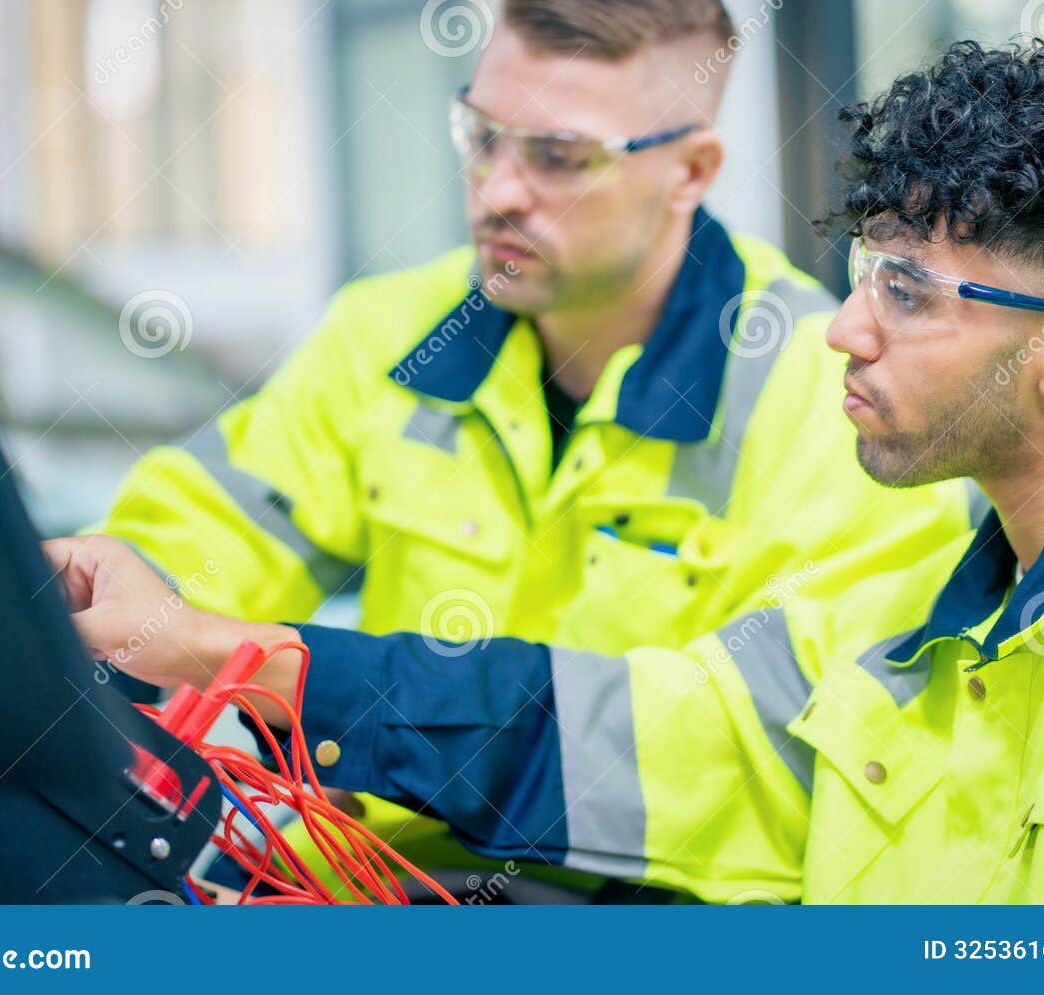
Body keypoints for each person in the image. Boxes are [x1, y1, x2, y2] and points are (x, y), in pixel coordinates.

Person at [54, 41, 1044, 903]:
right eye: (864, 271)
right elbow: (608, 728)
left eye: (908, 292)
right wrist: (236, 648)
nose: (843, 324)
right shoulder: (912, 615)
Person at [84, 0, 969, 890]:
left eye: (559, 156)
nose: (498, 189)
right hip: (367, 885)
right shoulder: (389, 334)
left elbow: (778, 762)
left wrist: (320, 683)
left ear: (689, 171)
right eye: (482, 134)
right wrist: (90, 607)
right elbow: (202, 539)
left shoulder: (835, 403)